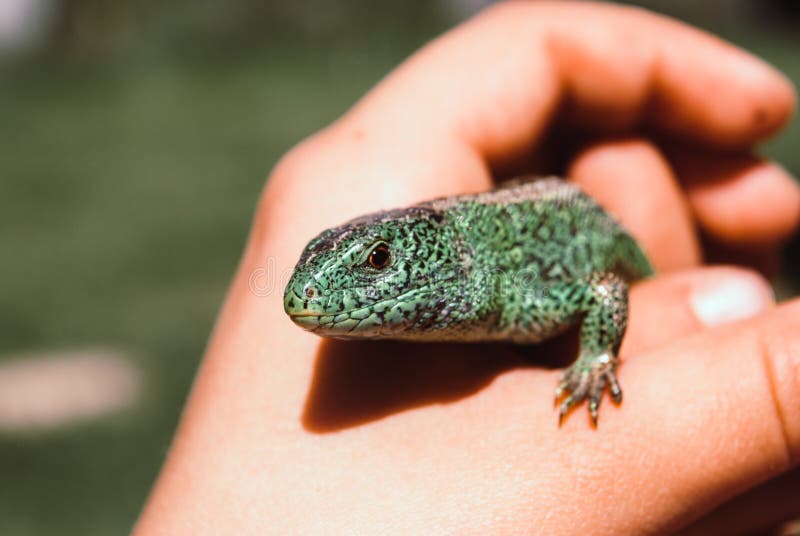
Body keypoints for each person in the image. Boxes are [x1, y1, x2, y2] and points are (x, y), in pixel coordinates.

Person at [135, 2, 800, 533]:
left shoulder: (513, 293)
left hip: (606, 235)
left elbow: (604, 289)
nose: (310, 295)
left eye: (379, 261)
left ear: (434, 256)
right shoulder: (459, 281)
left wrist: (596, 360)